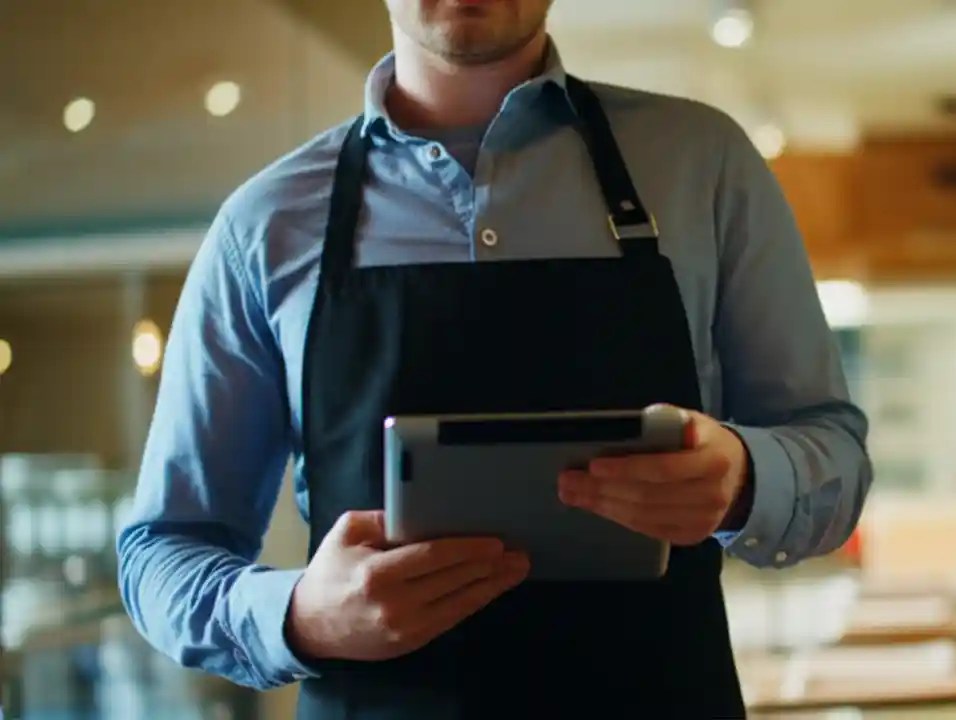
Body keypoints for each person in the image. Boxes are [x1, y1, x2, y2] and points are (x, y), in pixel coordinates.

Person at [116, 0, 873, 717]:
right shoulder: (265, 226)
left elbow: (832, 455)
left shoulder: (703, 165)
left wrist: (743, 478)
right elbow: (163, 553)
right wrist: (300, 614)